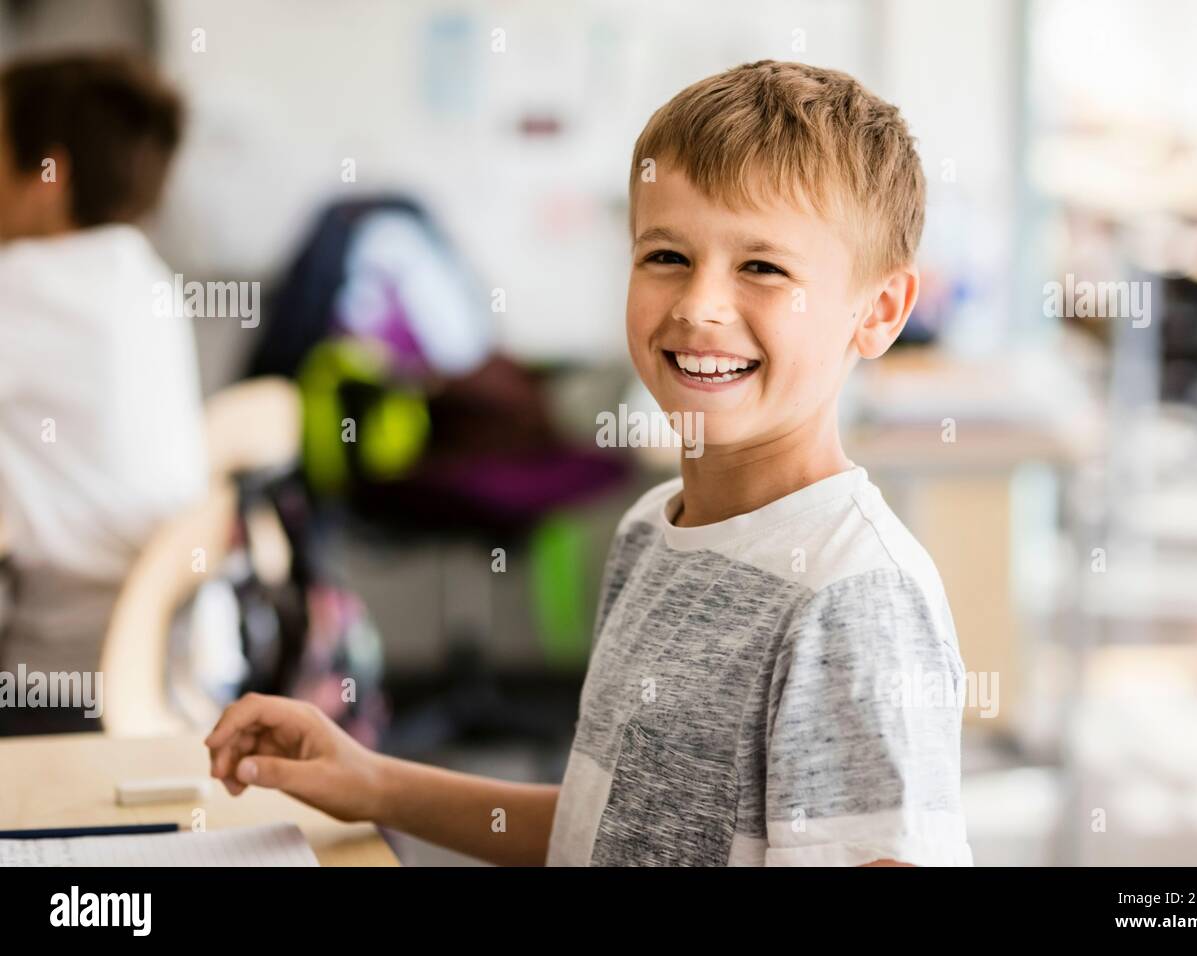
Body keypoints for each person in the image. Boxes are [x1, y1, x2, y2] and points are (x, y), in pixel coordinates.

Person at [207, 60, 973, 867]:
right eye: (666, 256)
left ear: (880, 311)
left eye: (762, 267)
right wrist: (371, 782)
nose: (698, 304)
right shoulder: (650, 531)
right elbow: (611, 829)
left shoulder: (856, 597)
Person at [0, 51, 207, 733]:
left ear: (47, 178)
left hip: (64, 685)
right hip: (172, 667)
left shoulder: (24, 284)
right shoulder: (142, 276)